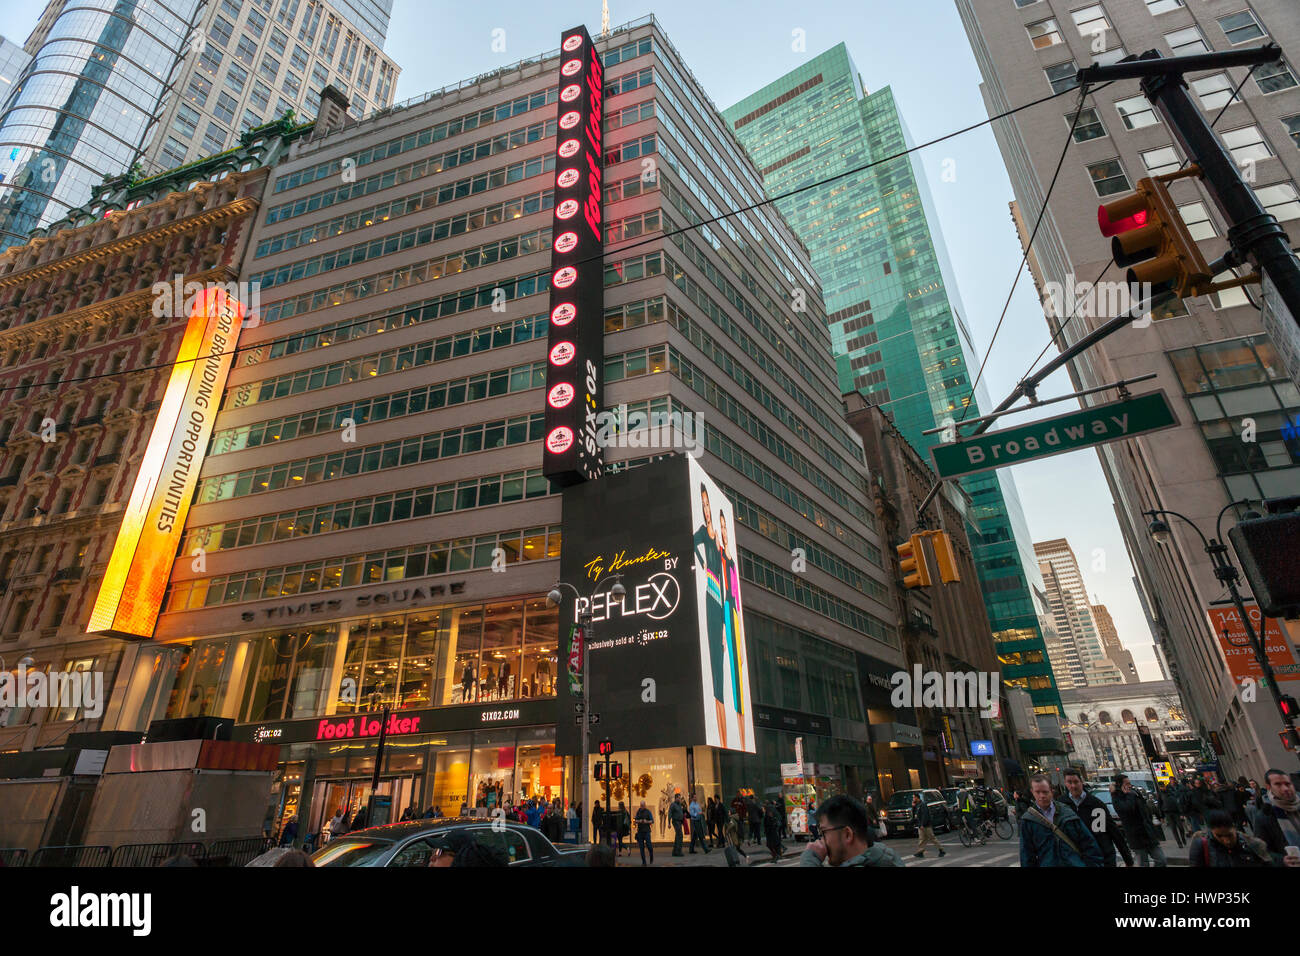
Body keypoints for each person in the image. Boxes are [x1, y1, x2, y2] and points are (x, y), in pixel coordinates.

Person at [693, 483, 728, 748]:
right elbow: (690, 542)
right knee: (716, 664)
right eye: (702, 505)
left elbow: (728, 582)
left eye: (708, 505)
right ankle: (720, 734)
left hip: (722, 602)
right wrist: (702, 562)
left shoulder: (721, 541)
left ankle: (724, 737)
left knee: (723, 660)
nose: (706, 509)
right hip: (709, 597)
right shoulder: (704, 533)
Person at [1018, 774, 1104, 867]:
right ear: (1032, 792)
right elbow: (1026, 855)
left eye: (1045, 792)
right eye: (1037, 792)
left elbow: (1089, 844)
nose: (1042, 796)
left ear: (1051, 791)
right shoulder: (1028, 820)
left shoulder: (1067, 813)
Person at [800, 794, 904, 867]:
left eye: (824, 832)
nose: (821, 840)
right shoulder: (884, 858)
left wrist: (809, 859)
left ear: (847, 834)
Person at [1062, 769, 1132, 867]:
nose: (1073, 786)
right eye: (1069, 782)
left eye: (1075, 782)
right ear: (1065, 783)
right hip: (1077, 859)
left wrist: (1128, 859)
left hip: (1102, 857)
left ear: (1081, 781)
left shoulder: (1096, 804)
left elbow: (1113, 832)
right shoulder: (1061, 805)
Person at [1113, 773, 1166, 867]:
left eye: (1129, 783)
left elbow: (1145, 810)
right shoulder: (1117, 798)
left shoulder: (1135, 793)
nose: (1130, 786)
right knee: (1143, 863)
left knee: (1161, 859)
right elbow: (1127, 809)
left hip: (1148, 833)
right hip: (1136, 836)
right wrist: (1128, 795)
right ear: (1120, 785)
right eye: (1127, 784)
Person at [1188, 810, 1274, 867]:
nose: (1227, 841)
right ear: (1211, 832)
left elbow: (1269, 861)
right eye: (1219, 836)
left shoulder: (1251, 844)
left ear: (1235, 829)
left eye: (1229, 835)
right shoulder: (1201, 845)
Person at [1251, 768, 1300, 867]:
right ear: (1268, 787)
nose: (1285, 788)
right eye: (1278, 784)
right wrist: (1282, 861)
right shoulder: (1265, 816)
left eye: (1287, 784)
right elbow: (1261, 851)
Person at [912, 792, 945, 859]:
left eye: (914, 797)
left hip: (926, 825)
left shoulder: (923, 805)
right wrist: (913, 807)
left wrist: (922, 824)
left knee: (932, 838)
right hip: (920, 825)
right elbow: (915, 815)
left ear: (917, 797)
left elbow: (925, 815)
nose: (913, 799)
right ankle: (920, 852)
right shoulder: (917, 805)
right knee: (922, 839)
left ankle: (941, 850)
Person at [635, 800, 655, 865]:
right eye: (641, 805)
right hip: (640, 832)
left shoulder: (648, 812)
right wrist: (639, 821)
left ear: (645, 805)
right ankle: (644, 862)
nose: (642, 807)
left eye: (643, 805)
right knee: (641, 848)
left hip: (647, 831)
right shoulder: (638, 811)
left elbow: (652, 821)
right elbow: (635, 820)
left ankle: (651, 856)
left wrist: (646, 821)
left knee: (649, 846)